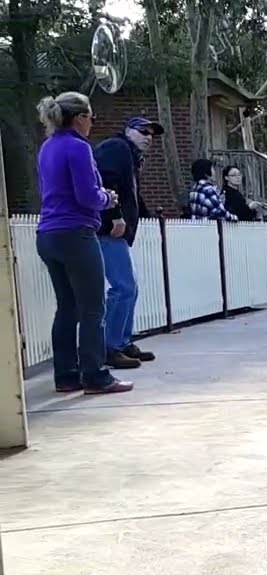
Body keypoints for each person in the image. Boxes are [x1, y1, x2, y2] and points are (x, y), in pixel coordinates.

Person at [33, 92, 132, 394]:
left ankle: (66, 375)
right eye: (91, 117)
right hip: (76, 234)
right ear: (79, 118)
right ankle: (95, 375)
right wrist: (108, 198)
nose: (92, 123)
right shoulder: (78, 147)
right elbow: (87, 195)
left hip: (47, 234)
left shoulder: (47, 147)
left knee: (67, 308)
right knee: (92, 308)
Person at [94, 116, 164, 369]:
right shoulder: (118, 147)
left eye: (151, 134)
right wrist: (116, 216)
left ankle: (122, 342)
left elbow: (129, 191)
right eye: (143, 131)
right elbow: (105, 182)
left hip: (115, 230)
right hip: (108, 229)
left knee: (129, 288)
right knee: (123, 287)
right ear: (128, 131)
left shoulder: (131, 155)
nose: (148, 137)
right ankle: (110, 347)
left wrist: (142, 212)